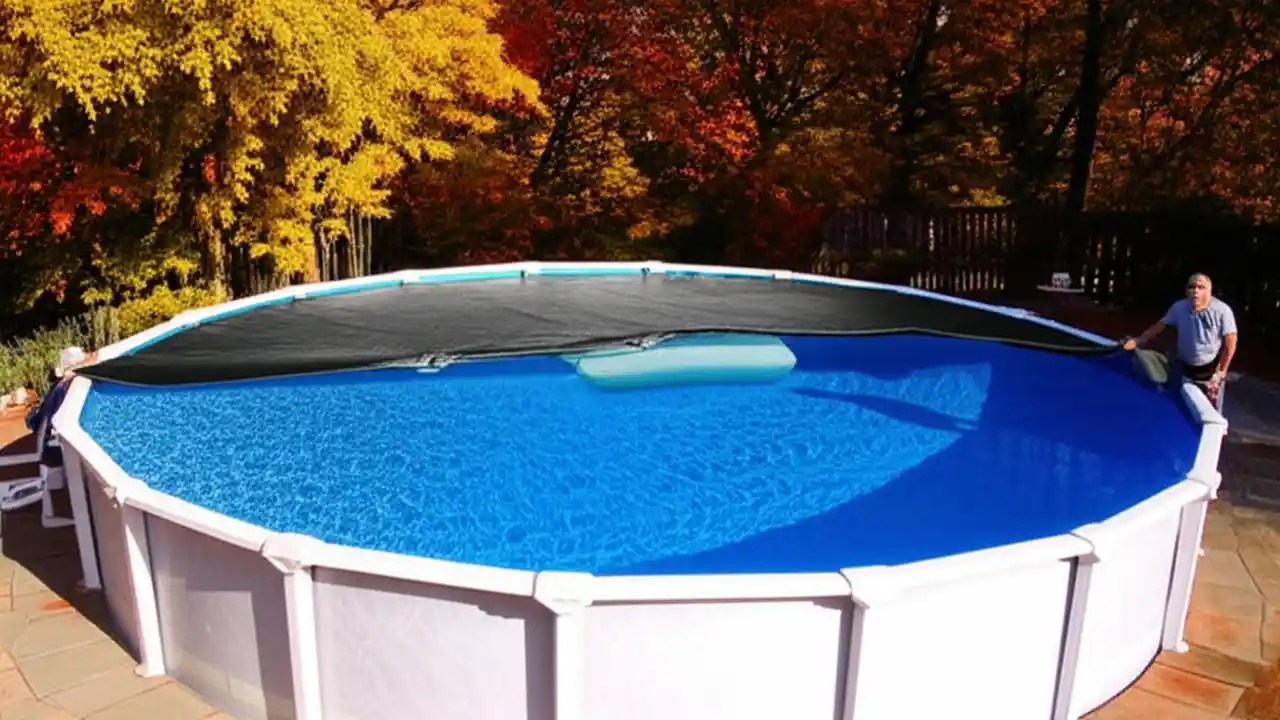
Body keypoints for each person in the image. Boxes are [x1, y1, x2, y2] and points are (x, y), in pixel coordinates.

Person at [1122, 273, 1238, 410]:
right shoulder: (1179, 308)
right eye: (1192, 287)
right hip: (1185, 368)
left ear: (1209, 291)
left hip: (1211, 372)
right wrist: (1139, 340)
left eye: (1201, 287)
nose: (1196, 291)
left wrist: (1222, 370)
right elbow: (1159, 326)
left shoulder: (1222, 311)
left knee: (1210, 413)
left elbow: (1230, 341)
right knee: (1180, 406)